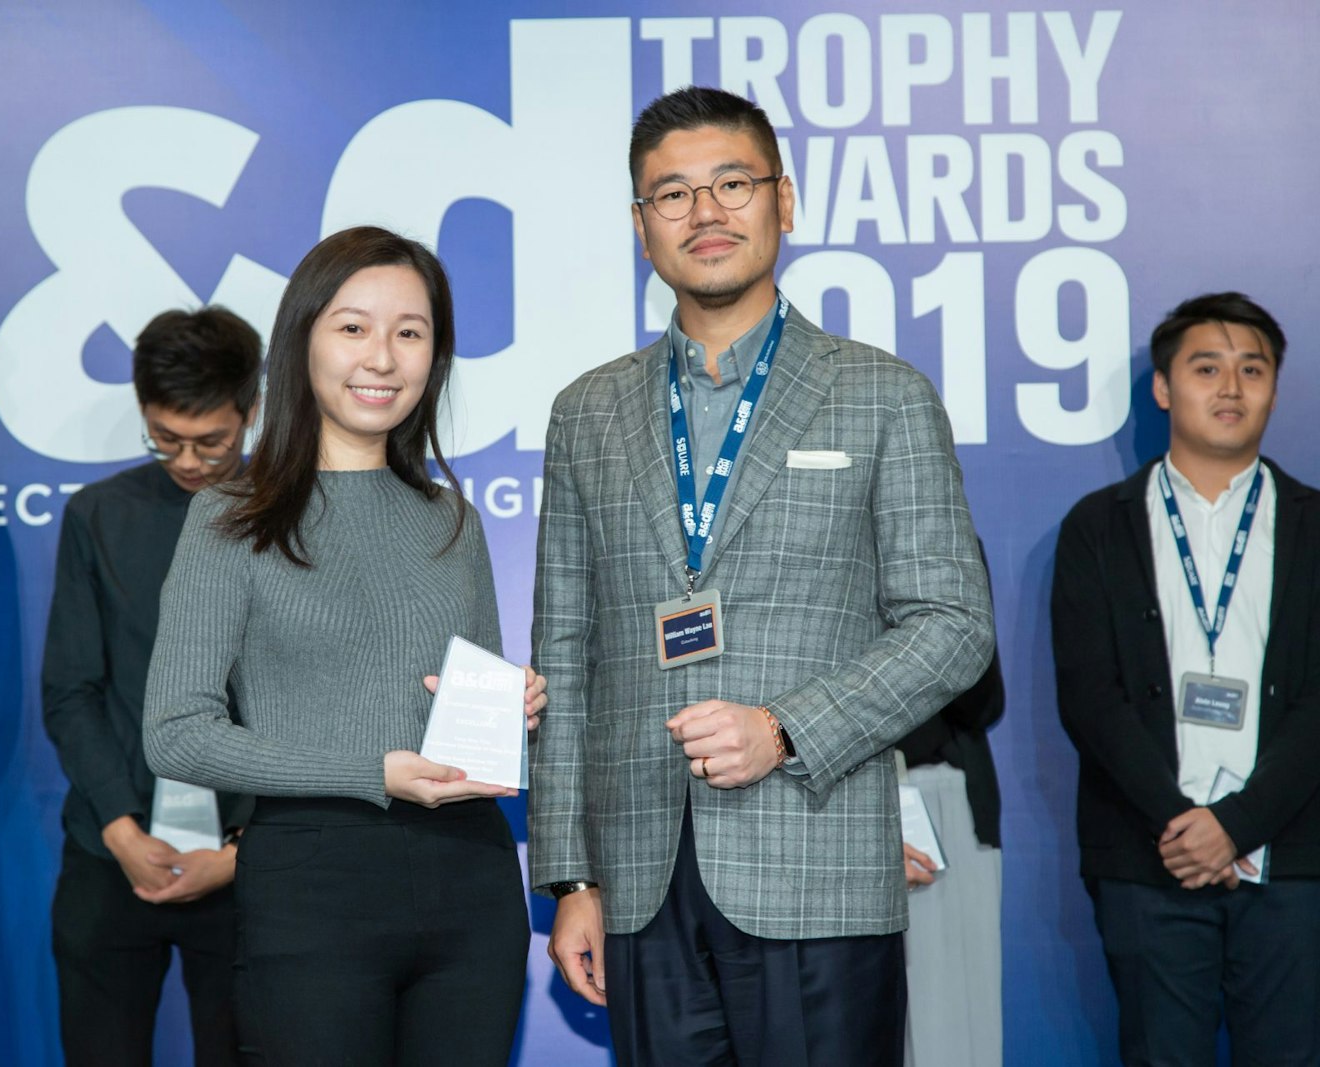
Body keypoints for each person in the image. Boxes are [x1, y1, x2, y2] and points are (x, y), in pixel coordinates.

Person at [529, 86, 995, 1066]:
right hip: (643, 876)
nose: (705, 213)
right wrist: (572, 876)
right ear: (639, 224)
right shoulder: (587, 412)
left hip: (816, 856)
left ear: (782, 199)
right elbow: (565, 648)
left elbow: (950, 620)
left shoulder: (881, 394)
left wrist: (786, 726)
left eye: (730, 183)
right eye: (672, 194)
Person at [142, 225, 547, 1066]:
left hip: (471, 885)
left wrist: (513, 714)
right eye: (354, 326)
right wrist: (373, 770)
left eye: (411, 332)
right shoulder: (230, 514)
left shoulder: (450, 518)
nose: (383, 357)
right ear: (303, 341)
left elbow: (472, 736)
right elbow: (174, 729)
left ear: (435, 358)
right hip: (312, 886)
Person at [1053, 292, 1320, 1066]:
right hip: (1148, 855)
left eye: (1252, 369)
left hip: (1292, 857)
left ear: (1275, 385)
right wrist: (1184, 823)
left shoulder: (1311, 525)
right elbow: (1089, 698)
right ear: (1165, 387)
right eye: (1207, 368)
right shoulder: (1096, 526)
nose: (1231, 388)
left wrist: (1238, 823)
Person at [43, 306, 263, 1066]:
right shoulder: (99, 516)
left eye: (212, 440)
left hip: (252, 864)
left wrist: (242, 849)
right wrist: (121, 829)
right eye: (165, 439)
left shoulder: (294, 511)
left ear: (252, 409)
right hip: (113, 856)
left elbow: (317, 700)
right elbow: (71, 688)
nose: (191, 461)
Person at [896, 551, 1006, 1067]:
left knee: (954, 1040)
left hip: (937, 794)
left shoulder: (942, 531)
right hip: (806, 804)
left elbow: (983, 701)